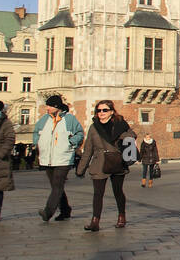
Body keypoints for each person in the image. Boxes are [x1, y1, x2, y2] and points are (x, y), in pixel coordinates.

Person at [75, 100, 135, 232]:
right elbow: (88, 149)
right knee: (98, 193)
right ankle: (95, 221)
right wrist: (80, 169)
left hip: (116, 160)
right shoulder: (93, 127)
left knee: (118, 191)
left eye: (104, 110)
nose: (101, 113)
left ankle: (121, 216)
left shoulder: (120, 124)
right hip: (99, 163)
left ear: (111, 112)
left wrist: (121, 136)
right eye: (99, 110)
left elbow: (131, 136)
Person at [34, 94, 84, 222]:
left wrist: (71, 142)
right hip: (47, 158)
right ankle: (65, 210)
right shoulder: (45, 119)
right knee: (56, 187)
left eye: (50, 106)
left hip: (64, 157)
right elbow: (36, 132)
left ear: (57, 107)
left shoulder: (69, 119)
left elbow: (79, 133)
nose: (48, 108)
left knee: (57, 185)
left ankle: (48, 212)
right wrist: (37, 143)